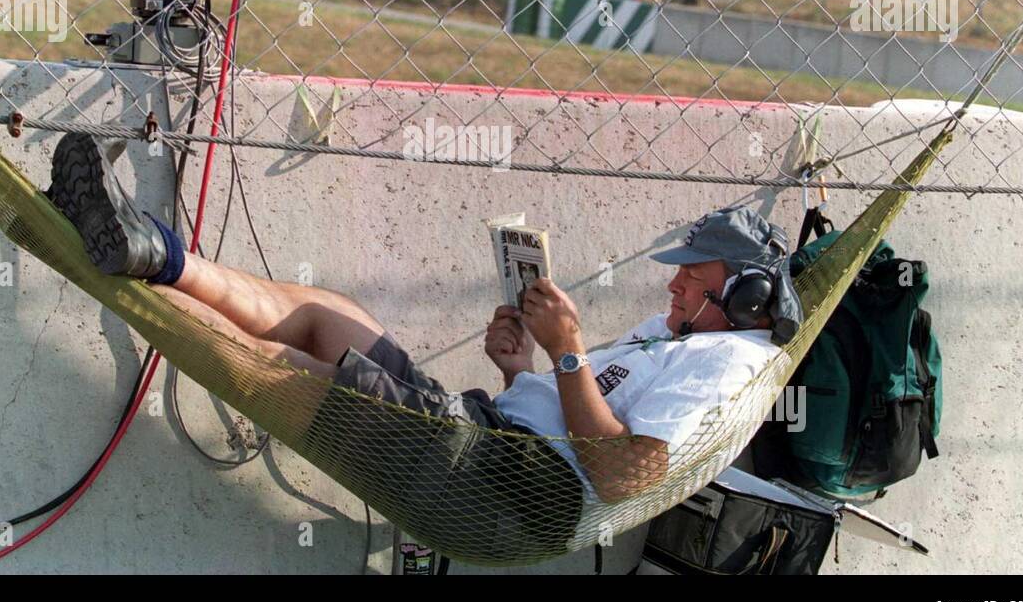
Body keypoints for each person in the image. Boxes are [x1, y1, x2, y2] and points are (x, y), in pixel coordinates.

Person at [44, 135, 802, 511]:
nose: (671, 283)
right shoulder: (678, 335)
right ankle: (158, 253)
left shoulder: (725, 364)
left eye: (691, 277)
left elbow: (621, 475)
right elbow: (585, 416)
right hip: (482, 427)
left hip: (493, 475)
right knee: (327, 315)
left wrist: (568, 352)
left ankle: (106, 247)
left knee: (289, 370)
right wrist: (522, 368)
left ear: (745, 296)